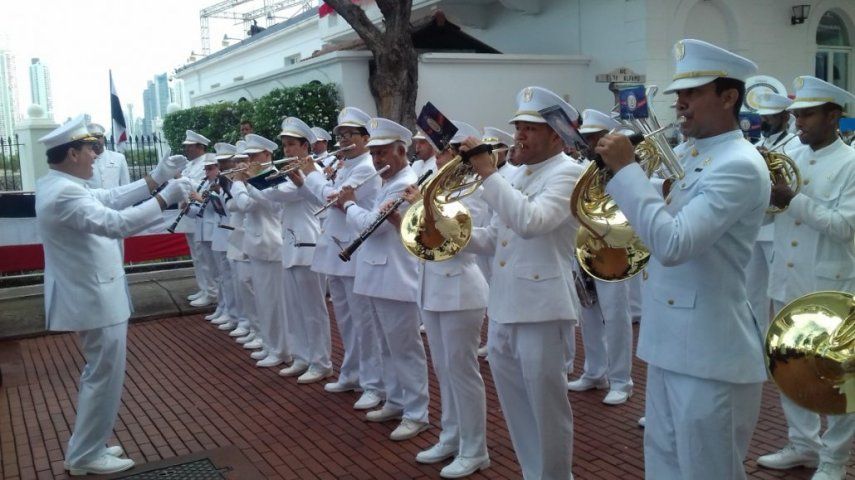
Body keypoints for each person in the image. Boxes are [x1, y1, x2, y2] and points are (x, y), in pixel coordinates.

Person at [596, 39, 770, 479]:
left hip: (711, 353)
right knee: (664, 464)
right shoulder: (691, 154)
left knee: (707, 470)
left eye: (693, 92)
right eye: (679, 93)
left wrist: (627, 171)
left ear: (728, 97)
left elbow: (673, 244)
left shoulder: (739, 164)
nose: (680, 103)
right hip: (669, 343)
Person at [36, 115, 192, 476]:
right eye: (89, 149)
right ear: (73, 153)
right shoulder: (64, 193)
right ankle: (85, 455)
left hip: (93, 293)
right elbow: (116, 224)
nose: (96, 155)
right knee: (103, 376)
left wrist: (157, 177)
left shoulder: (59, 184)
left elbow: (110, 197)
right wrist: (165, 197)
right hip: (94, 297)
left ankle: (89, 444)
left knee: (100, 374)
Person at [462, 86, 583, 479]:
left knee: (547, 412)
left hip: (542, 308)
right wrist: (450, 234)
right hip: (504, 305)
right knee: (516, 408)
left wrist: (488, 173)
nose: (519, 135)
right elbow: (496, 237)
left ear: (556, 135)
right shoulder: (514, 174)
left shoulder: (569, 173)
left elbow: (532, 222)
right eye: (518, 127)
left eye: (530, 128)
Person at [757, 75, 855, 480]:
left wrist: (792, 200)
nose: (799, 122)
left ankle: (834, 460)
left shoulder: (851, 163)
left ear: (834, 116)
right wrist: (761, 196)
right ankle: (804, 446)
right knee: (790, 367)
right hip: (786, 278)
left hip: (832, 285)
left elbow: (844, 227)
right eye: (797, 115)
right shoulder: (788, 154)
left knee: (840, 375)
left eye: (809, 115)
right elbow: (768, 216)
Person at [396, 123, 491, 477]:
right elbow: (422, 237)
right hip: (432, 287)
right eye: (436, 152)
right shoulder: (437, 186)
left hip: (460, 289)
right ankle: (451, 436)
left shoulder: (474, 189)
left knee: (463, 372)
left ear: (458, 155)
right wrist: (417, 208)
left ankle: (475, 448)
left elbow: (462, 237)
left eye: (443, 152)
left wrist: (423, 206)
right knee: (444, 370)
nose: (436, 159)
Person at [336, 117, 430, 441]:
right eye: (374, 153)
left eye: (383, 153)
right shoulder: (388, 181)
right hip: (377, 273)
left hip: (396, 277)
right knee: (387, 347)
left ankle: (417, 413)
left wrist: (348, 204)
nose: (377, 160)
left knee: (405, 349)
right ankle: (396, 400)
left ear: (401, 151)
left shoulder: (407, 182)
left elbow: (370, 228)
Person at [300, 107, 385, 410]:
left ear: (365, 138)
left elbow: (335, 198)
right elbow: (322, 199)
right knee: (346, 320)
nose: (344, 140)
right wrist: (304, 180)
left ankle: (374, 384)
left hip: (355, 252)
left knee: (365, 323)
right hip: (335, 249)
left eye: (350, 134)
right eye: (342, 135)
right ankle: (352, 373)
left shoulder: (366, 167)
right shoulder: (344, 165)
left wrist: (311, 174)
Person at [566, 109, 634, 406]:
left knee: (616, 315)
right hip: (584, 247)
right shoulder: (582, 168)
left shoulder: (627, 170)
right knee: (589, 312)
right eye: (588, 138)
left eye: (596, 138)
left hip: (613, 249)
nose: (591, 144)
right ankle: (595, 371)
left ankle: (621, 380)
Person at [265, 117, 334, 384]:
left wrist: (257, 181)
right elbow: (275, 196)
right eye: (285, 145)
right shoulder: (290, 171)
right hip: (291, 245)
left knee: (313, 310)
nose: (287, 150)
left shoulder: (311, 172)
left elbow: (280, 194)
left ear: (305, 146)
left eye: (292, 144)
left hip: (308, 245)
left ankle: (321, 362)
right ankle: (302, 357)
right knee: (295, 308)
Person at [229, 134, 292, 369]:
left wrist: (239, 183)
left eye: (254, 156)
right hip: (257, 245)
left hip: (270, 245)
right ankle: (269, 344)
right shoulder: (256, 178)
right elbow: (237, 205)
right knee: (264, 303)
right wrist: (242, 183)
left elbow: (247, 204)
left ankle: (282, 349)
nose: (249, 161)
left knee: (275, 304)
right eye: (248, 156)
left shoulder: (273, 177)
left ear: (267, 155)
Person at [745, 90, 799, 330]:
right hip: (757, 226)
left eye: (771, 116)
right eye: (763, 116)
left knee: (780, 291)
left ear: (785, 117)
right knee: (751, 291)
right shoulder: (758, 144)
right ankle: (757, 341)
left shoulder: (795, 145)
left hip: (780, 227)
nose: (764, 120)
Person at [179, 130, 218, 307]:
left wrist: (182, 180)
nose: (186, 149)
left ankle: (212, 291)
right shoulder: (189, 165)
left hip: (202, 213)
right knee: (197, 256)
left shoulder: (207, 162)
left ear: (200, 147)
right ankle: (204, 288)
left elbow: (205, 187)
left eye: (189, 146)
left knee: (205, 256)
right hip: (190, 213)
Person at [85, 123, 130, 189]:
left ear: (103, 138)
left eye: (98, 137)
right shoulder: (83, 161)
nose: (95, 140)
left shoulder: (119, 158)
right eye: (91, 138)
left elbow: (125, 184)